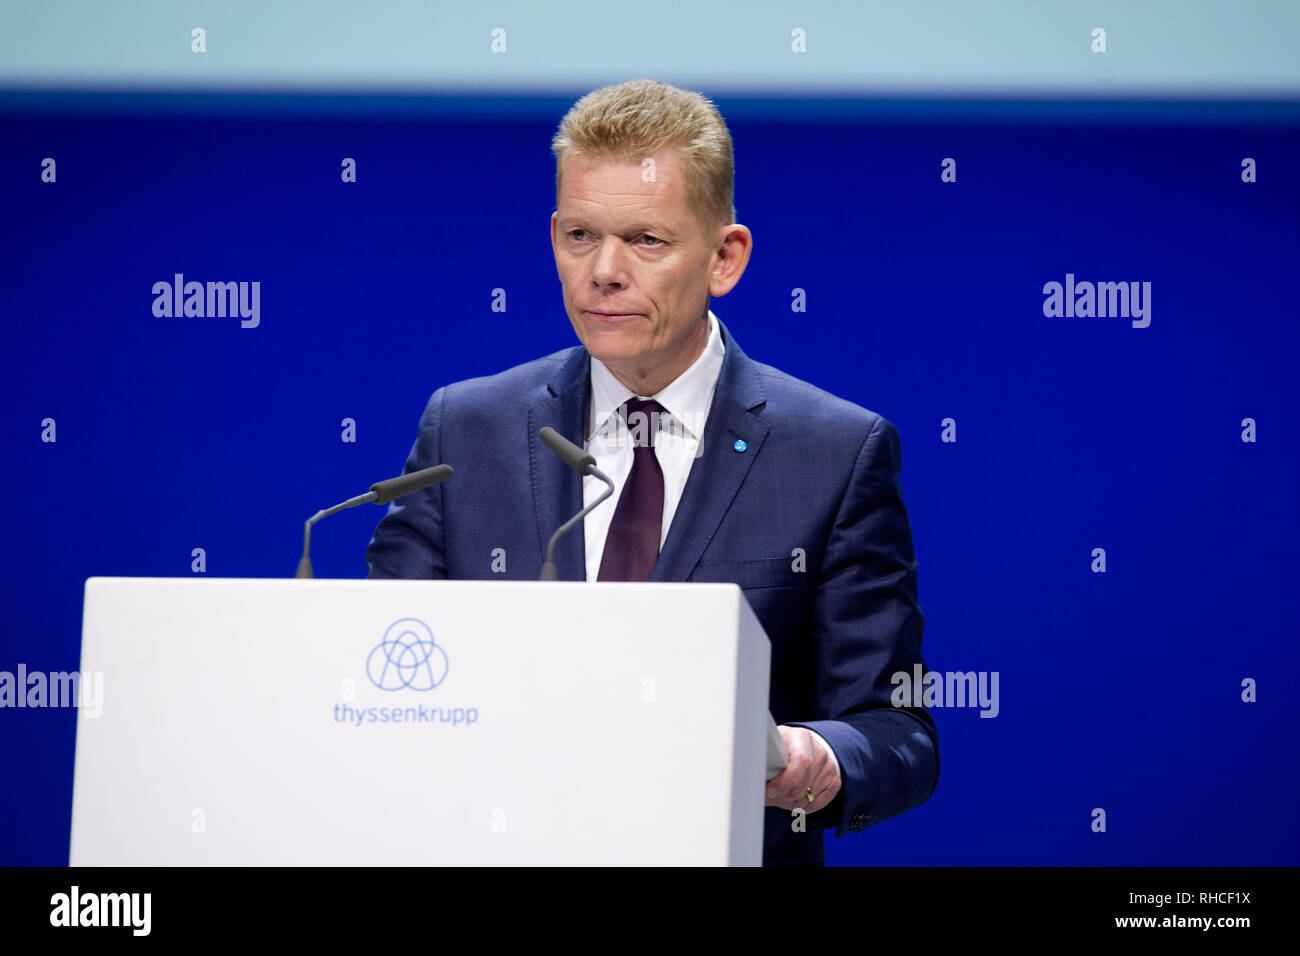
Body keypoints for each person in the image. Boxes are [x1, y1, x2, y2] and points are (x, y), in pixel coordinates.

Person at [365, 78, 938, 865]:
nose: (603, 270)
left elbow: (899, 731)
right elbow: (382, 678)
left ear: (725, 257)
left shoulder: (834, 452)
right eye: (580, 236)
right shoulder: (464, 430)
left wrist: (816, 758)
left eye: (646, 241)